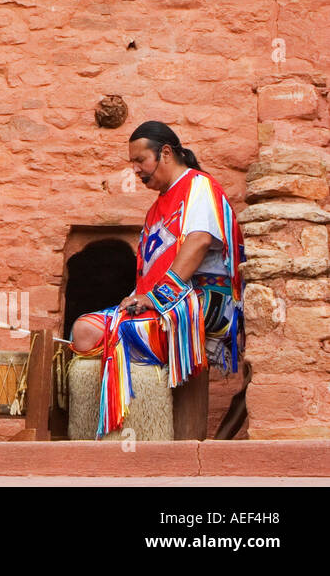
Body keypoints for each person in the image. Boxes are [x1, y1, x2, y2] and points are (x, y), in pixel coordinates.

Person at [71, 121, 245, 436]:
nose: (135, 170)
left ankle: (153, 442)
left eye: (140, 160)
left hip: (203, 303)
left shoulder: (198, 185)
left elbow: (199, 241)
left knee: (107, 332)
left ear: (165, 153)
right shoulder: (154, 210)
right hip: (167, 303)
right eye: (132, 163)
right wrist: (140, 298)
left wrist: (155, 297)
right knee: (83, 331)